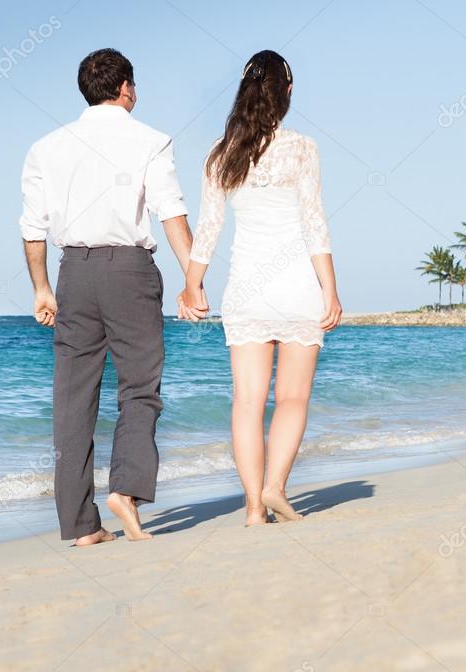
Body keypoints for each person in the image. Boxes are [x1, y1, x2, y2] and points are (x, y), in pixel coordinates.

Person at [21, 48, 205, 545]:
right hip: (129, 270)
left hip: (72, 273)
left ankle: (81, 526)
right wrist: (194, 281)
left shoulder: (46, 147)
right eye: (135, 85)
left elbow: (33, 229)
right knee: (140, 387)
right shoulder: (150, 140)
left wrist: (41, 288)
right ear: (125, 87)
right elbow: (171, 214)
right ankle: (126, 490)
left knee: (72, 400)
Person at [181, 50, 342, 526]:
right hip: (297, 289)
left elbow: (207, 228)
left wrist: (193, 286)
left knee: (247, 403)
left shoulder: (221, 152)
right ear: (286, 92)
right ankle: (275, 488)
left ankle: (253, 509)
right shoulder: (302, 148)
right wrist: (330, 291)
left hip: (246, 292)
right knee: (292, 398)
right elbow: (315, 225)